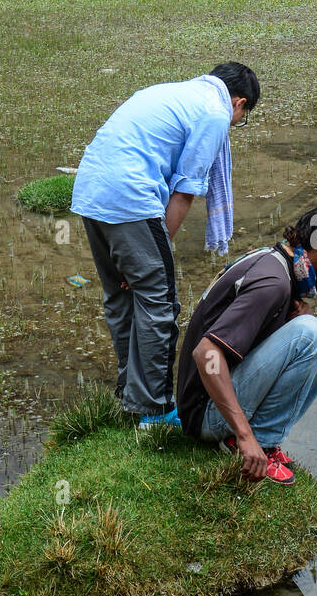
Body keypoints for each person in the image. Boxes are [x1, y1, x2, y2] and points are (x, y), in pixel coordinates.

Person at [72, 62, 259, 429]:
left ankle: (131, 395)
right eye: (243, 118)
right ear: (238, 102)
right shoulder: (214, 113)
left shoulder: (176, 92)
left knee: (123, 297)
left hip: (91, 192)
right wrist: (159, 250)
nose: (236, 125)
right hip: (130, 198)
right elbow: (186, 191)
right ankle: (155, 410)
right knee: (159, 302)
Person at [177, 204, 317, 485]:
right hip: (205, 415)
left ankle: (259, 438)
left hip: (218, 402)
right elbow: (206, 354)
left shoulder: (281, 264)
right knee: (309, 333)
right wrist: (245, 436)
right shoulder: (274, 283)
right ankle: (259, 444)